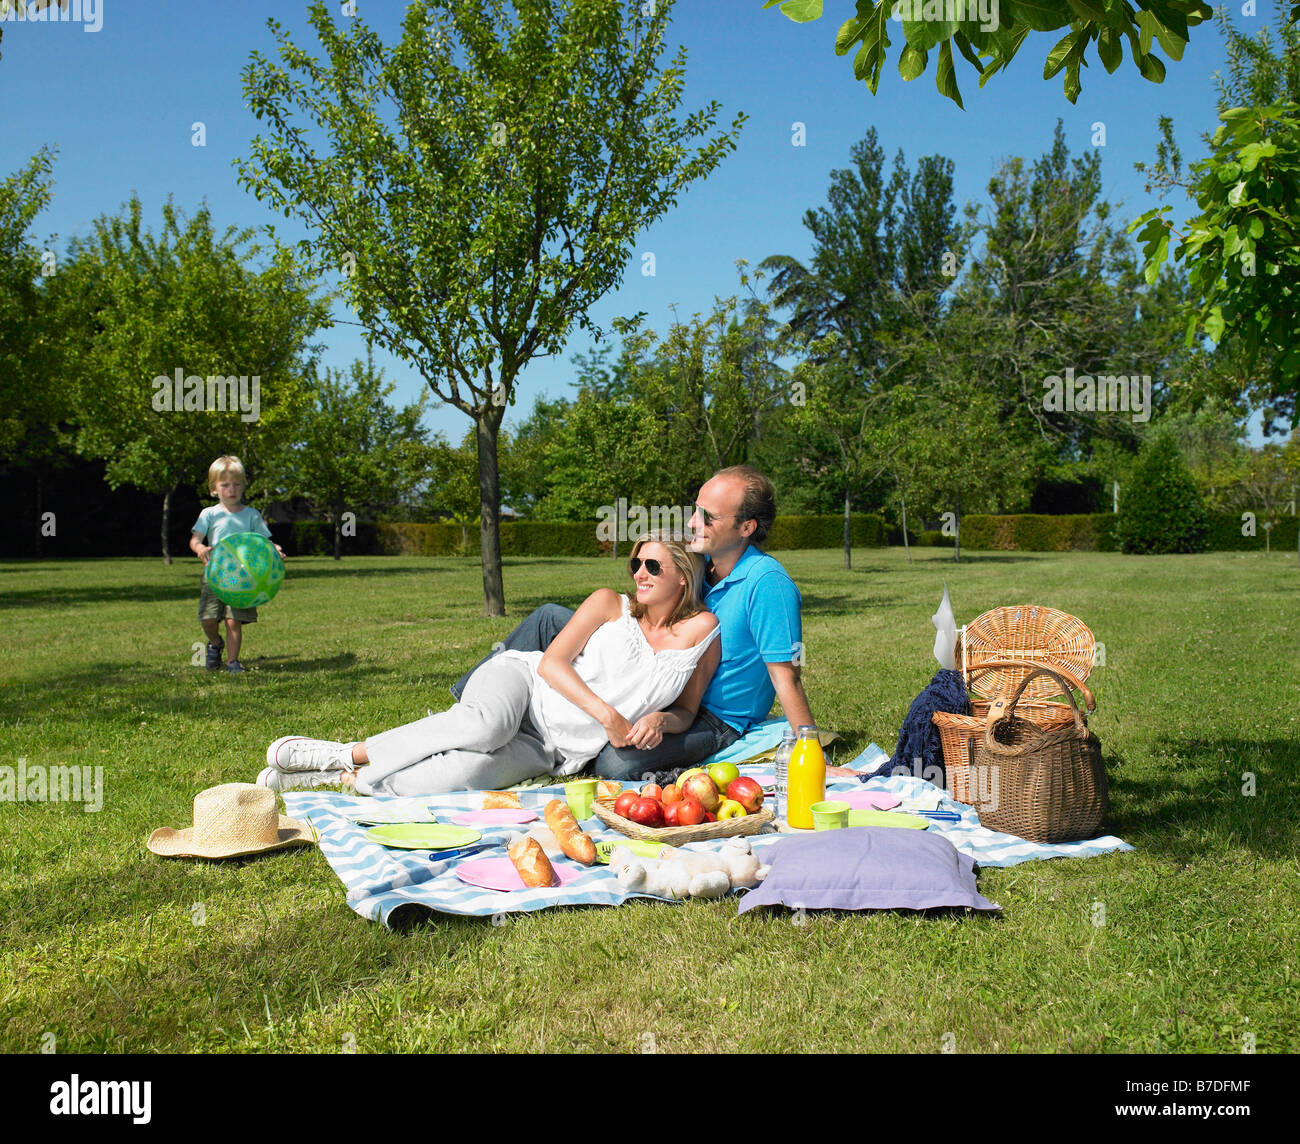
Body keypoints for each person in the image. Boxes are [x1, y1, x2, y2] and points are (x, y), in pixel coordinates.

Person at [451, 465, 840, 781]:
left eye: (708, 516)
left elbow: (786, 677)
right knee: (550, 617)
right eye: (695, 508)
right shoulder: (704, 567)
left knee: (615, 765)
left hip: (710, 714)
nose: (692, 522)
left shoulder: (768, 585)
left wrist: (813, 756)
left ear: (746, 528)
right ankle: (468, 707)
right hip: (661, 674)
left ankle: (538, 733)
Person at [257, 534, 720, 796]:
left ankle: (341, 779)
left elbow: (685, 710)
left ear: (683, 575)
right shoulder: (608, 604)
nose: (639, 572)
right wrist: (610, 717)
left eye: (653, 567)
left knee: (438, 783)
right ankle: (345, 752)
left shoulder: (703, 634)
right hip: (522, 685)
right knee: (485, 728)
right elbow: (553, 664)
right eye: (637, 563)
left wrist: (661, 719)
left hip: (553, 751)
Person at [190, 455, 285, 674]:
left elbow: (264, 541)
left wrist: (275, 549)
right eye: (225, 485)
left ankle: (233, 662)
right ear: (214, 489)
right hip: (214, 576)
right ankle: (215, 643)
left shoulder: (251, 515)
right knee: (208, 618)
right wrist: (200, 548)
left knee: (234, 621)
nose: (231, 489)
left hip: (243, 579)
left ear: (243, 487)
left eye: (236, 485)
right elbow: (195, 539)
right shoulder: (209, 514)